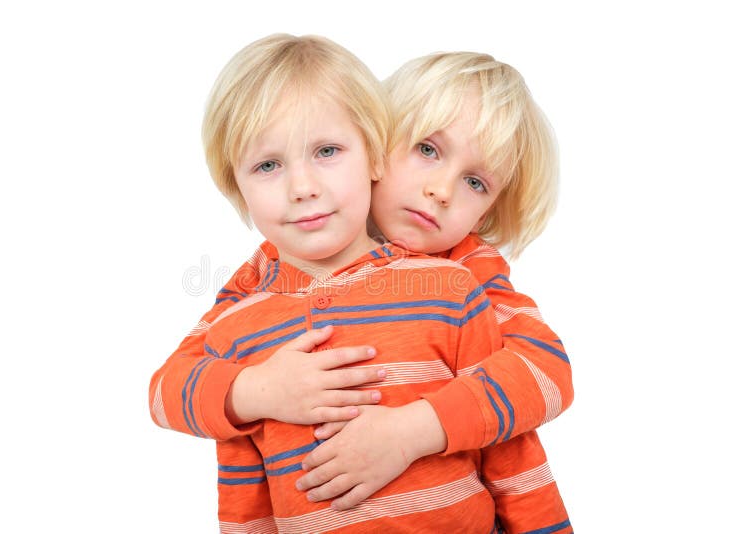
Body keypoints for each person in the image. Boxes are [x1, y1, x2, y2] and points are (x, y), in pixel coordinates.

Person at [150, 34, 572, 533]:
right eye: (427, 149)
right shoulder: (262, 280)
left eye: (475, 183)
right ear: (377, 142)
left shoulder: (467, 272)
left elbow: (542, 373)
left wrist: (412, 431)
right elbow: (171, 384)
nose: (440, 190)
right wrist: (256, 389)